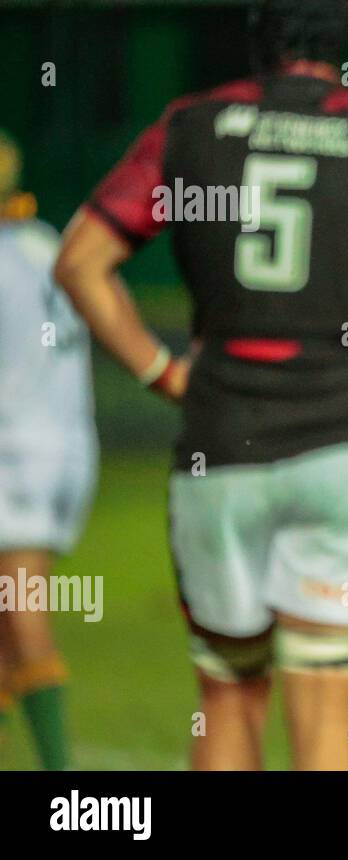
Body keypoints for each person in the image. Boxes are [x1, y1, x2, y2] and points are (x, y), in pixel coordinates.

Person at [54, 0, 348, 770]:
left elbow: (81, 261)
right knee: (327, 698)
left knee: (227, 697)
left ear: (258, 35)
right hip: (339, 442)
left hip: (219, 439)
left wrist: (162, 371)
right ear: (344, 38)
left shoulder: (188, 126)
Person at [0, 130, 98, 770]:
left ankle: (64, 785)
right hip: (70, 451)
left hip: (16, 456)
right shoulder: (51, 242)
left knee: (22, 615)